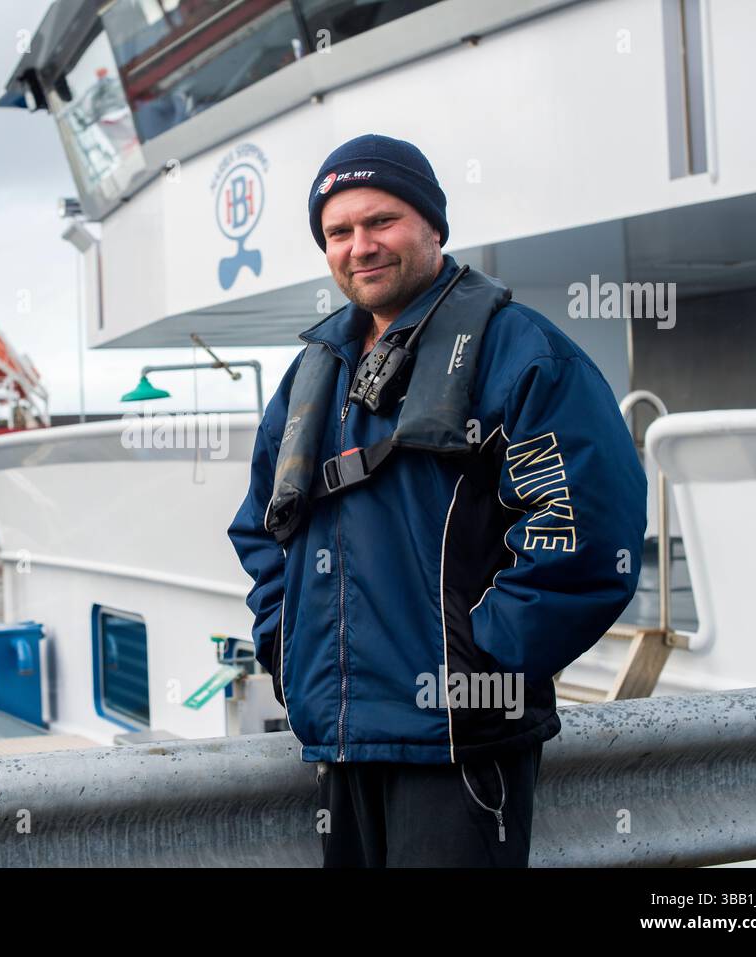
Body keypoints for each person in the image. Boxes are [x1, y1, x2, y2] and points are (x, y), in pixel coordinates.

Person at [226, 134, 647, 867]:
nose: (361, 245)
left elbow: (583, 532)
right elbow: (263, 529)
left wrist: (480, 663)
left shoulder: (523, 356)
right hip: (341, 739)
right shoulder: (310, 374)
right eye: (339, 231)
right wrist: (285, 647)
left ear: (433, 227)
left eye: (382, 221)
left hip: (461, 747)